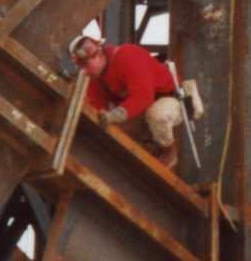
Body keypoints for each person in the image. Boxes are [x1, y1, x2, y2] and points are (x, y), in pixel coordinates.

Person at [69, 33, 186, 169]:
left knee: (156, 115)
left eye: (85, 65)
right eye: (80, 67)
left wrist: (114, 116)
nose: (84, 71)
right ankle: (152, 153)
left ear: (98, 55)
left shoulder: (127, 55)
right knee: (112, 135)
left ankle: (168, 149)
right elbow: (97, 109)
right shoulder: (96, 79)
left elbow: (143, 97)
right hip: (141, 110)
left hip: (169, 99)